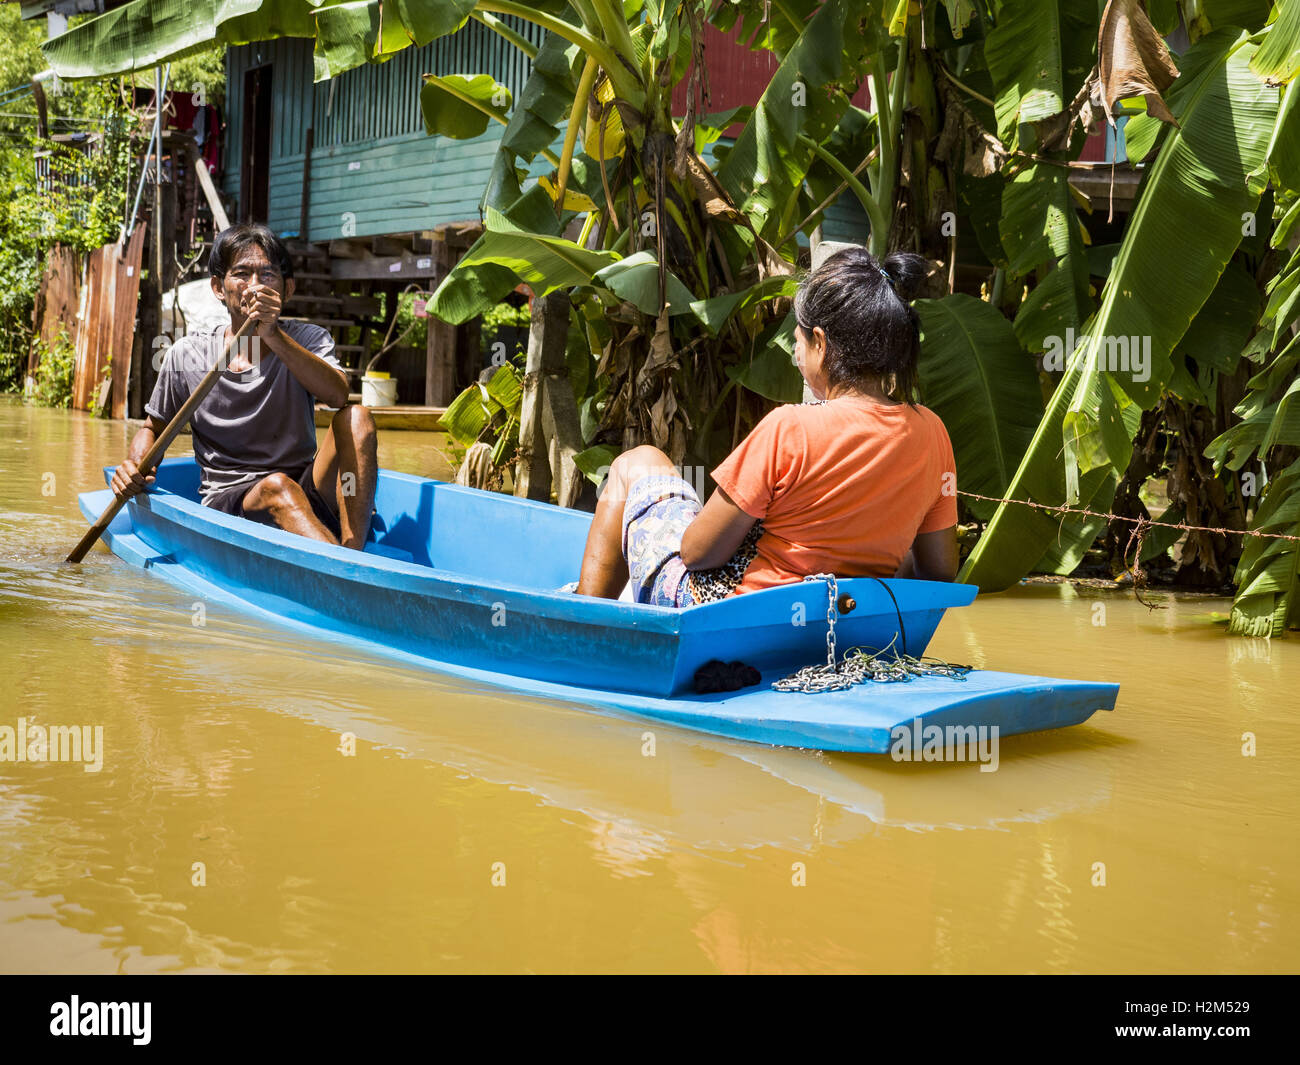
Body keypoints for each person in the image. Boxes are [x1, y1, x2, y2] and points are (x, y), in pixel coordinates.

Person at [575, 246, 958, 606]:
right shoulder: (933, 432)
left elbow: (697, 553)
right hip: (839, 618)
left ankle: (584, 620)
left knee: (637, 462)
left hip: (729, 614)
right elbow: (937, 570)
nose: (795, 354)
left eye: (798, 342)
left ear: (820, 344)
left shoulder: (788, 427)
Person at [110, 223, 378, 549]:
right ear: (218, 288)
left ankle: (354, 555)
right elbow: (153, 428)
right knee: (277, 487)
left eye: (268, 276)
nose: (254, 286)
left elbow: (338, 396)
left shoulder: (308, 339)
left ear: (287, 289)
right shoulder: (187, 354)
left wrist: (272, 335)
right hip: (231, 501)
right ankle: (340, 571)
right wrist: (134, 466)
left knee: (357, 417)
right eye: (241, 274)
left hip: (303, 485)